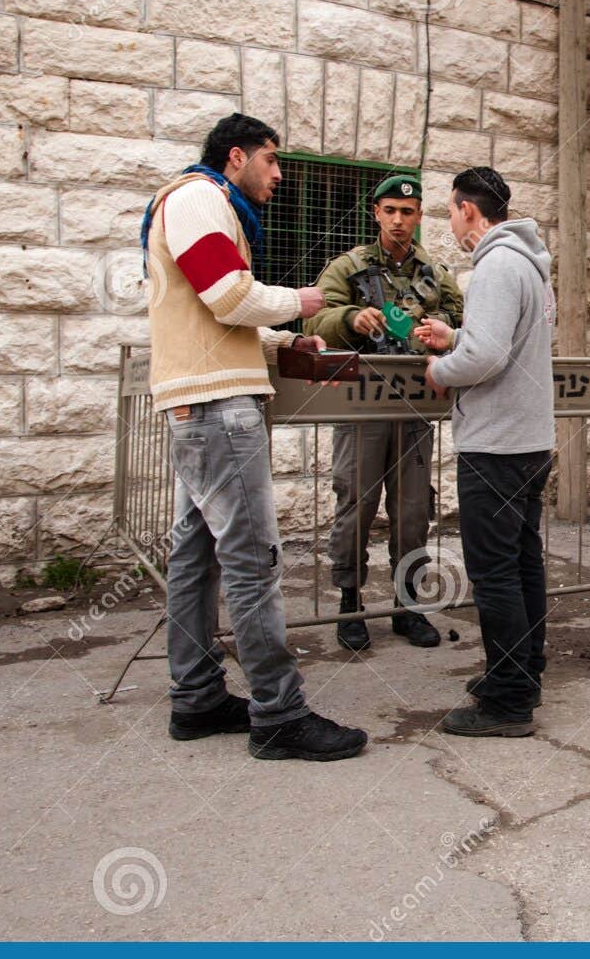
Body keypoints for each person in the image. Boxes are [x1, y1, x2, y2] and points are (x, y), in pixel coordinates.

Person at [142, 112, 367, 761]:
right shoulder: (199, 198)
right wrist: (304, 303)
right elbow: (228, 295)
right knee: (253, 559)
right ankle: (279, 712)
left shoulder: (200, 203)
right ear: (235, 156)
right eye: (270, 158)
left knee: (197, 556)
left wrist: (280, 341)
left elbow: (218, 314)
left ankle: (196, 696)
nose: (279, 173)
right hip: (218, 408)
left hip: (200, 403)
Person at [415, 167, 555, 737]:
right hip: (529, 440)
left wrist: (441, 369)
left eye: (450, 211)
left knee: (494, 573)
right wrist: (458, 339)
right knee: (522, 564)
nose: (450, 223)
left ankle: (508, 703)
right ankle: (522, 672)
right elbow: (507, 344)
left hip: (497, 445)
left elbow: (487, 358)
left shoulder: (495, 265)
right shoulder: (528, 264)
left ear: (468, 209)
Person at [303, 176, 463, 651]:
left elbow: (461, 318)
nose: (398, 220)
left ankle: (407, 605)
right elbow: (314, 320)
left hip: (413, 407)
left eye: (407, 212)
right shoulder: (348, 266)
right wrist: (350, 319)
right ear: (376, 213)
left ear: (419, 216)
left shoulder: (435, 273)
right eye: (390, 210)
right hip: (363, 407)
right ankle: (349, 603)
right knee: (356, 503)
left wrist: (437, 327)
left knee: (412, 510)